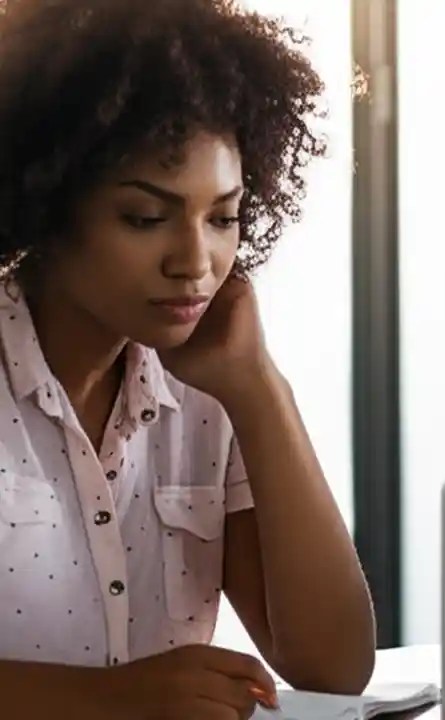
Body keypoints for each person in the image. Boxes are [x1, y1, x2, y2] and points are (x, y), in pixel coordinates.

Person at [0, 0, 376, 717]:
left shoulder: (209, 388)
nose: (196, 262)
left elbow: (334, 667)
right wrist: (105, 701)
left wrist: (262, 391)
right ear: (44, 204)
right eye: (145, 218)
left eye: (223, 216)